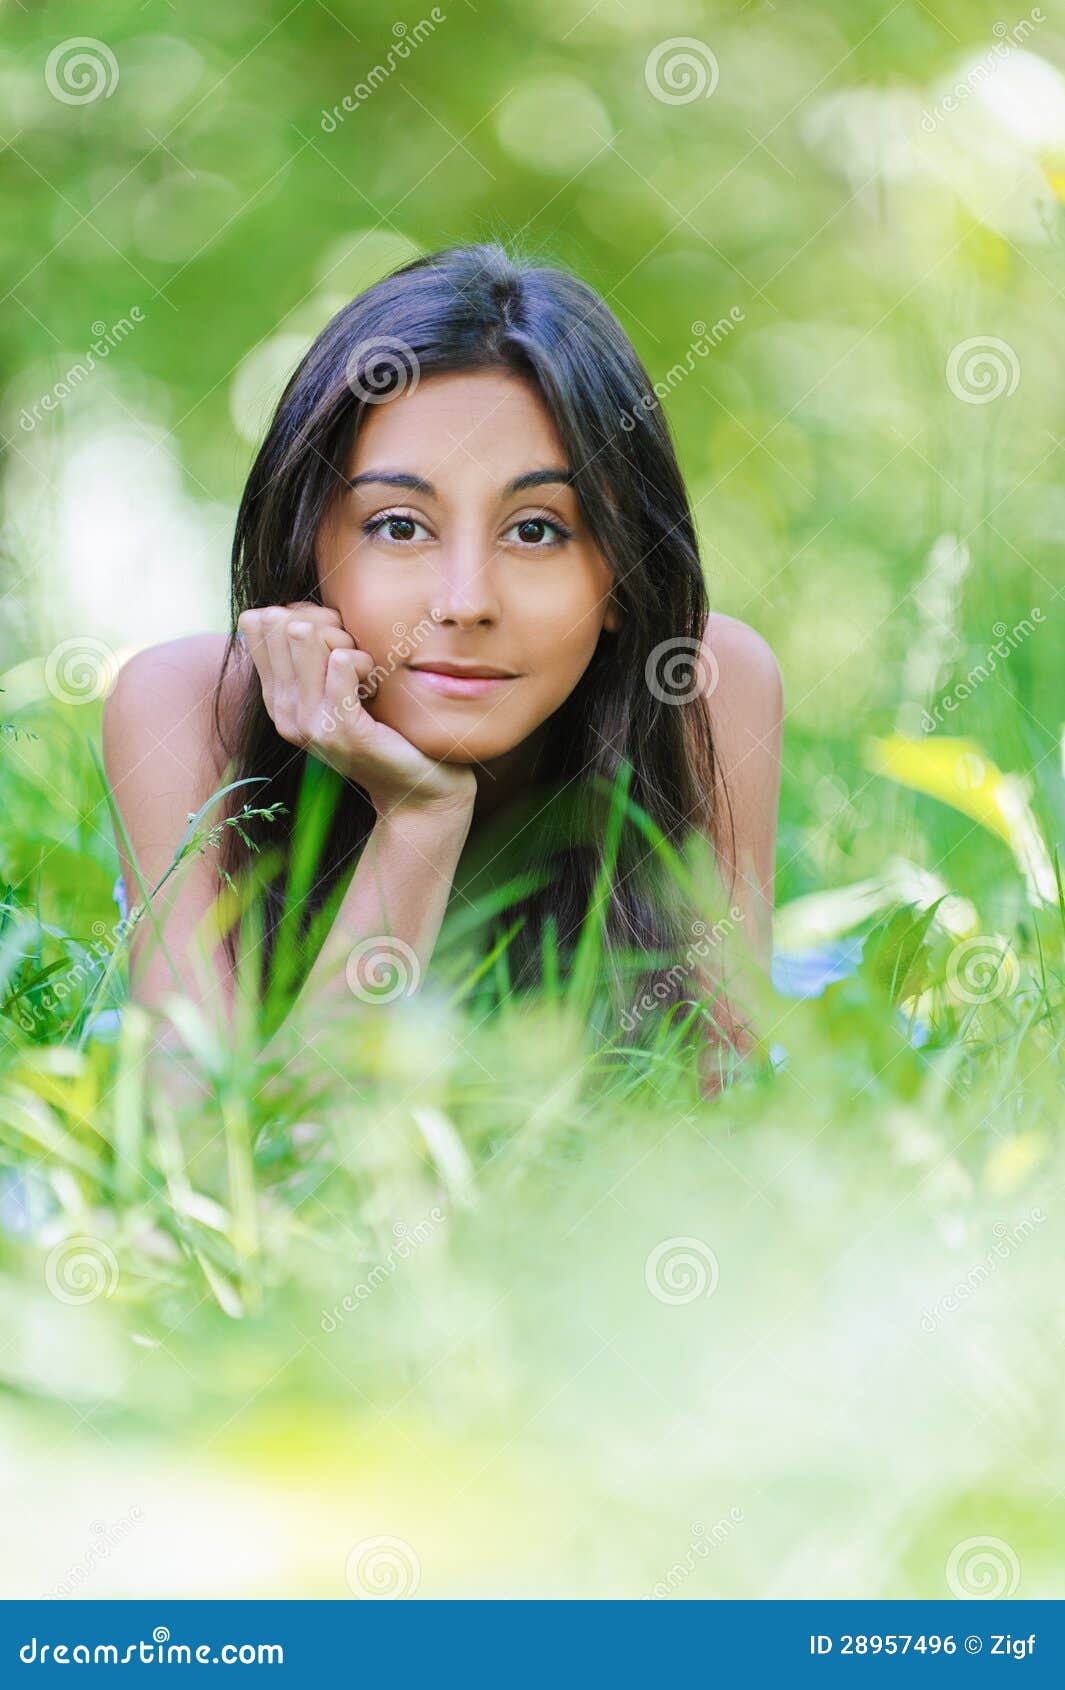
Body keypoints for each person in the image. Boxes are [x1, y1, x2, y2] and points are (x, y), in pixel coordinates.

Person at [102, 242, 783, 1092]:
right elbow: (216, 1144)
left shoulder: (699, 683)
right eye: (398, 526)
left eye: (536, 529)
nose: (464, 603)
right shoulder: (186, 706)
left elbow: (726, 1105)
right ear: (307, 547)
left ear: (621, 570)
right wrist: (418, 820)